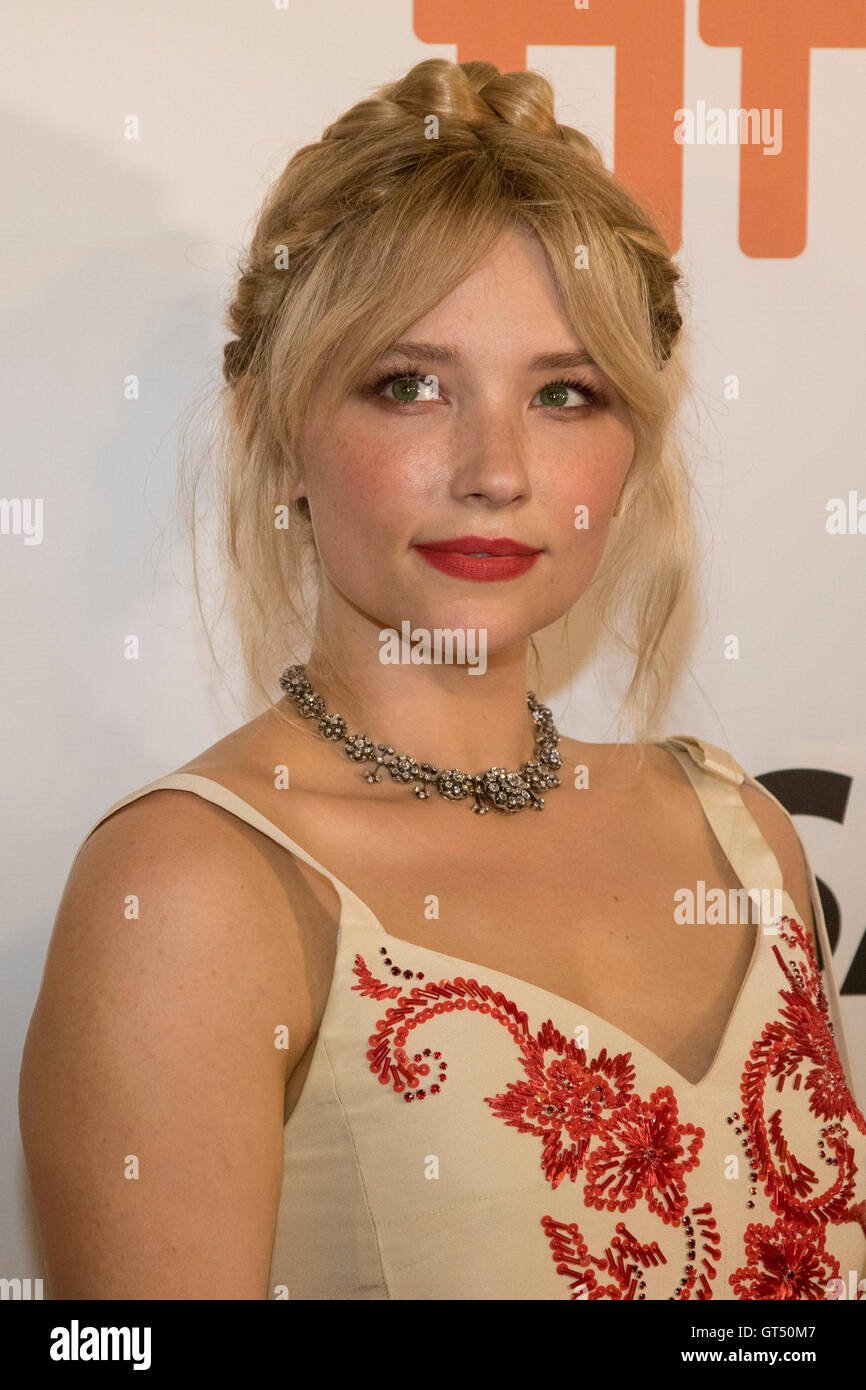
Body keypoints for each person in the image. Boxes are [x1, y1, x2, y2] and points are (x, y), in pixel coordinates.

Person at [19, 58, 865, 1301]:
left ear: (631, 441)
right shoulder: (192, 892)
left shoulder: (741, 834)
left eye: (563, 393)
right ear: (274, 434)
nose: (496, 471)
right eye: (409, 386)